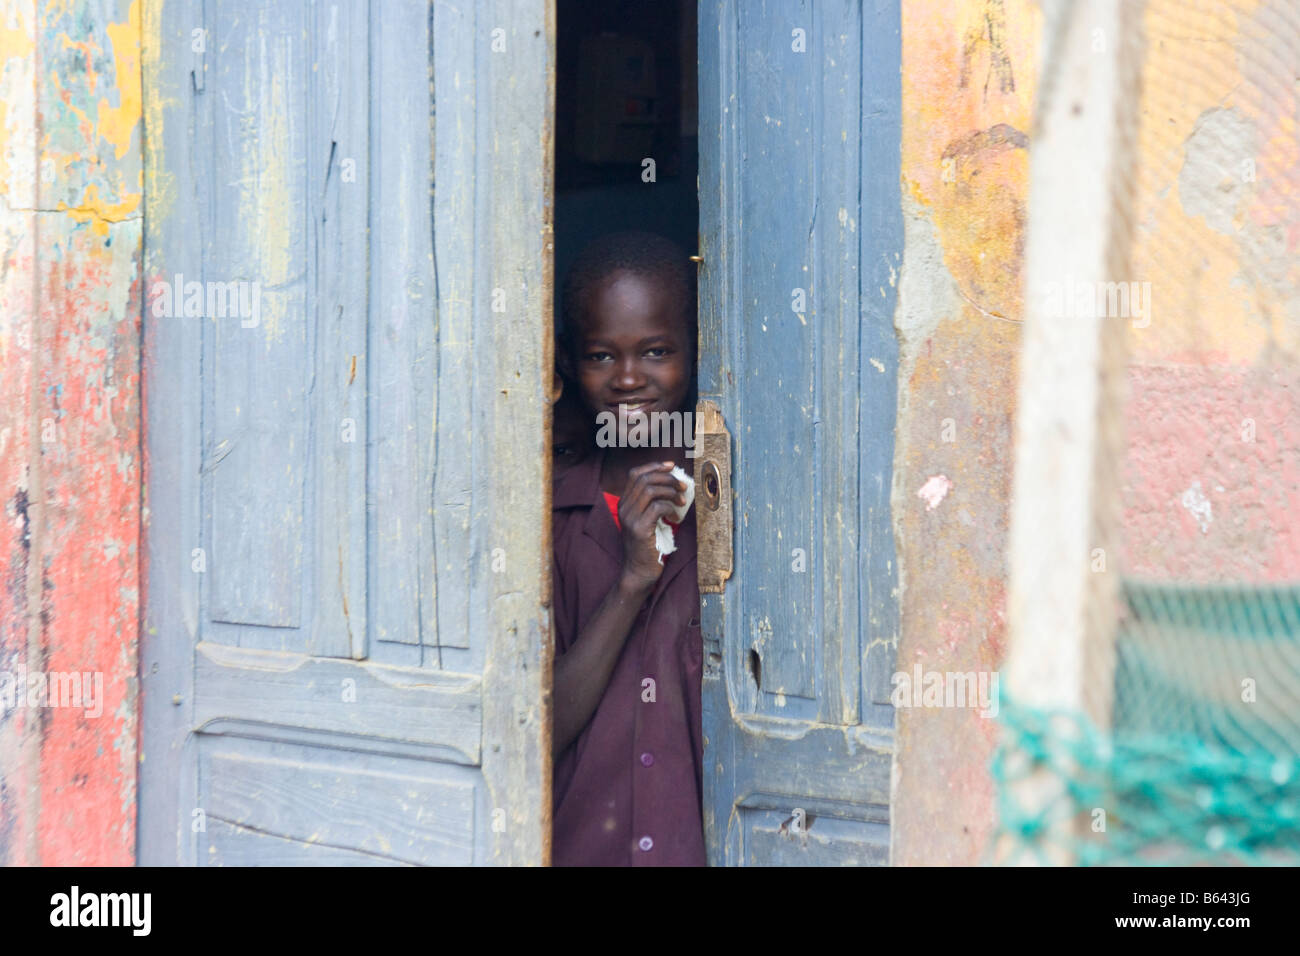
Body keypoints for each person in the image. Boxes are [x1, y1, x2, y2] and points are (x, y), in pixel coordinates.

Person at [551, 231, 704, 866]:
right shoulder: (553, 517)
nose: (629, 378)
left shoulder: (748, 513)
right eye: (601, 356)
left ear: (699, 349)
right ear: (568, 366)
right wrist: (630, 584)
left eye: (657, 350)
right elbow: (540, 725)